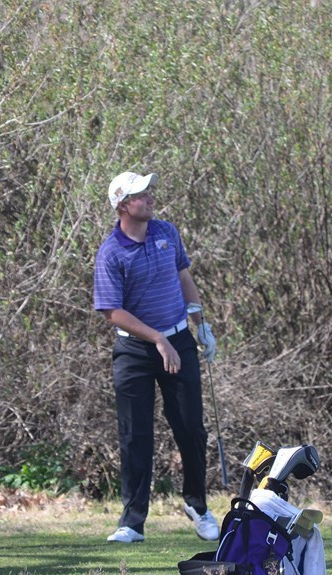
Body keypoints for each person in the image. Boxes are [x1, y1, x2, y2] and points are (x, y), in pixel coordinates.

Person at [93, 171, 219, 543]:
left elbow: (183, 277)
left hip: (179, 341)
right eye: (140, 195)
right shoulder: (111, 253)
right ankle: (133, 522)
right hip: (134, 351)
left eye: (149, 192)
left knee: (191, 428)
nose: (149, 198)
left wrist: (200, 321)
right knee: (136, 436)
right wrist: (156, 340)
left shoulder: (167, 233)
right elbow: (112, 312)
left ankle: (197, 505)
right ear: (122, 205)